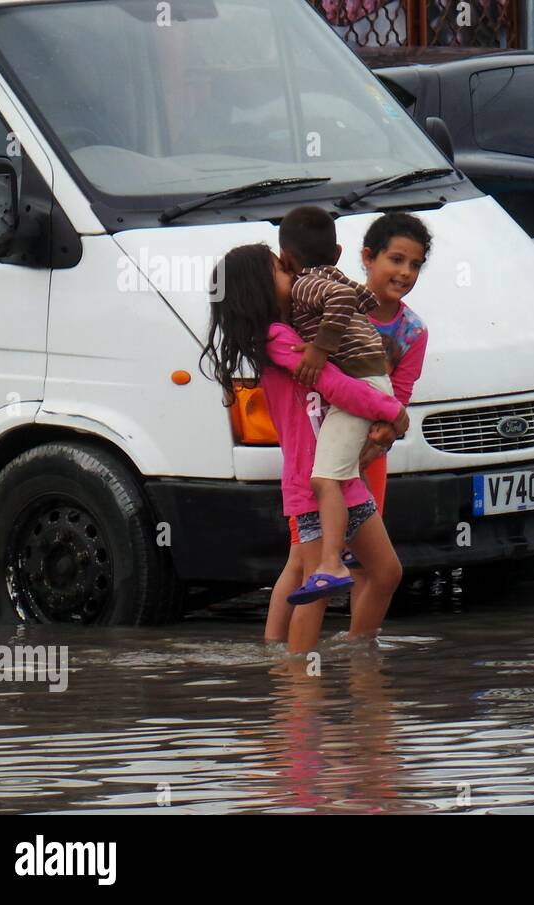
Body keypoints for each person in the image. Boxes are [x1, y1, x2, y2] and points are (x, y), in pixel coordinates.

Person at [200, 243, 405, 654]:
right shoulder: (277, 340)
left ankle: (358, 651)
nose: (290, 275)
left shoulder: (292, 330)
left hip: (342, 476)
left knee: (385, 573)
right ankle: (297, 680)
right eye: (279, 270)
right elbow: (331, 383)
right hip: (313, 486)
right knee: (317, 588)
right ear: (258, 287)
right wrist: (391, 409)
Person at [278, 206, 397, 603]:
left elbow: (346, 298)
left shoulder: (305, 284)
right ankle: (345, 548)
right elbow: (360, 295)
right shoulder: (331, 275)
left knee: (325, 479)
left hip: (361, 381)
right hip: (370, 378)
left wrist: (319, 350)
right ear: (339, 252)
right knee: (344, 472)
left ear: (287, 260)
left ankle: (332, 561)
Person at [359, 212, 431, 512]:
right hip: (321, 441)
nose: (405, 272)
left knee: (364, 532)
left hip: (372, 446)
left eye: (415, 265)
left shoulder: (413, 332)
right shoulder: (338, 309)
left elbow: (399, 396)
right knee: (314, 536)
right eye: (397, 259)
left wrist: (380, 440)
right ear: (368, 258)